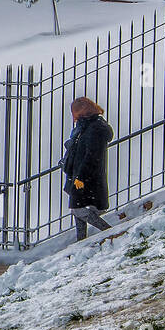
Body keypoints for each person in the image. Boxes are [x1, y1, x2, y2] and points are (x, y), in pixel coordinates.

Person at [62, 97, 113, 241]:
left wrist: (81, 177)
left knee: (80, 210)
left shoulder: (95, 128)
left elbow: (92, 156)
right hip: (79, 174)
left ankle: (110, 232)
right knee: (76, 209)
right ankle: (81, 241)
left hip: (86, 177)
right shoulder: (84, 126)